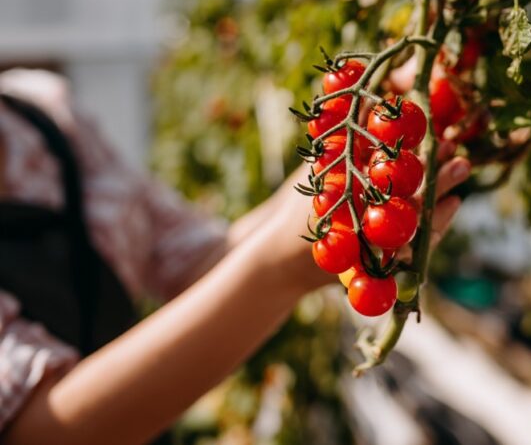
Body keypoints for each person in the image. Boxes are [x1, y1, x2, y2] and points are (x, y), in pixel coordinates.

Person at [0, 68, 470, 444]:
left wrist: (334, 174)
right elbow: (34, 434)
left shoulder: (44, 110)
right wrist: (279, 267)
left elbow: (198, 263)